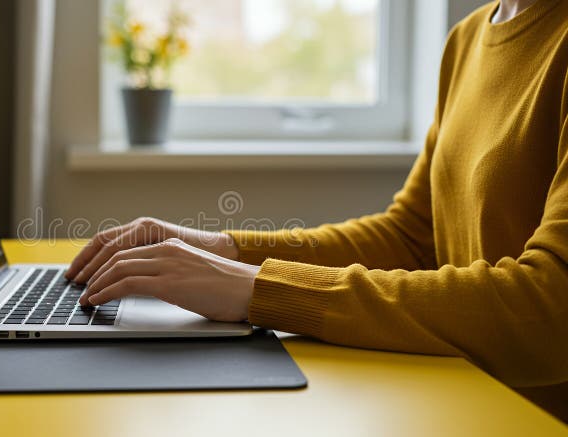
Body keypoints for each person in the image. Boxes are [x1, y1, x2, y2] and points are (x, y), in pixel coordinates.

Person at [68, 0, 568, 422]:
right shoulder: (468, 39)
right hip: (460, 404)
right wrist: (226, 250)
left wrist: (258, 288)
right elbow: (412, 239)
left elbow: (549, 310)